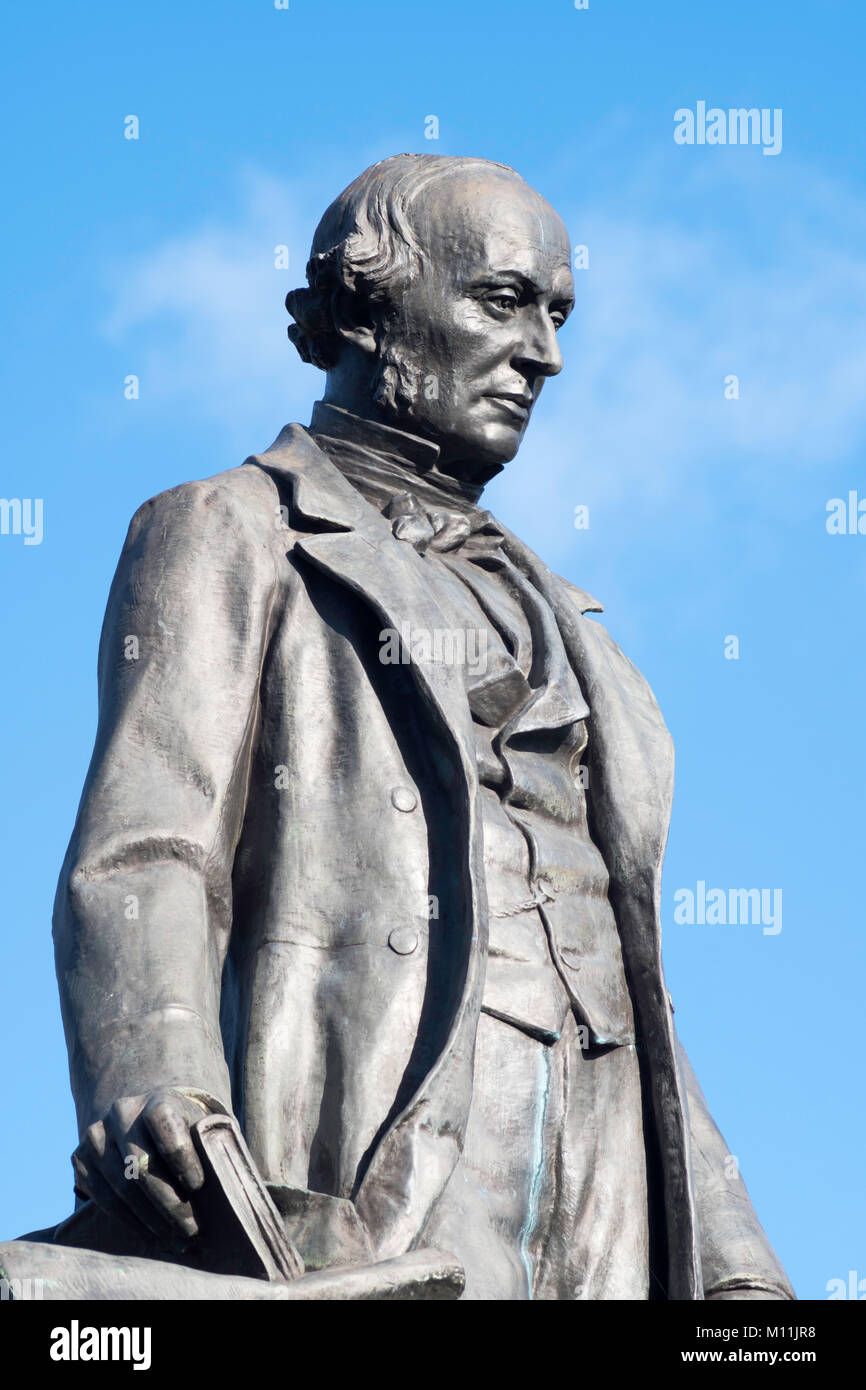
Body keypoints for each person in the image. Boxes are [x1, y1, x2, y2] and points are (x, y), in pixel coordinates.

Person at [52, 154, 793, 1300]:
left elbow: (637, 982)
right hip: (382, 1133)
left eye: (556, 314)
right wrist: (159, 1077)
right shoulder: (230, 530)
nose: (544, 353)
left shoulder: (578, 622)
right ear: (366, 305)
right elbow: (150, 851)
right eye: (501, 301)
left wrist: (736, 1267)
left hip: (613, 1174)